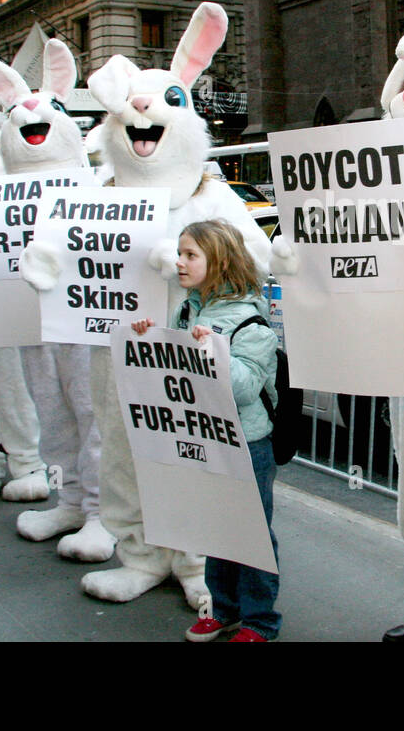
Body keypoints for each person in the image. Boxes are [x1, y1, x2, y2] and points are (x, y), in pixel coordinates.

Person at [131, 219, 281, 643]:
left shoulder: (250, 320)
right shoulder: (188, 308)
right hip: (208, 438)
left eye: (190, 255)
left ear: (219, 260)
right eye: (180, 253)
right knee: (216, 528)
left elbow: (247, 387)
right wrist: (149, 341)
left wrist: (210, 354)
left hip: (247, 443)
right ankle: (224, 609)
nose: (179, 262)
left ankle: (258, 621)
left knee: (251, 534)